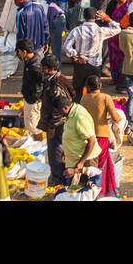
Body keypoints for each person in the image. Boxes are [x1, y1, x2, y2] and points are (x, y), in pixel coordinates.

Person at [79, 75, 123, 198]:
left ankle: (100, 189)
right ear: (100, 85)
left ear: (87, 87)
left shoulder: (84, 99)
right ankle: (100, 191)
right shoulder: (105, 97)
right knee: (100, 165)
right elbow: (116, 117)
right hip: (101, 136)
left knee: (95, 162)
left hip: (88, 135)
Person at [37, 54, 75, 183]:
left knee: (56, 151)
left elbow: (58, 109)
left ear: (49, 68)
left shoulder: (56, 86)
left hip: (57, 124)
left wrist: (53, 126)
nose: (42, 70)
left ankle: (58, 177)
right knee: (57, 150)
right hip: (56, 123)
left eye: (43, 68)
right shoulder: (55, 80)